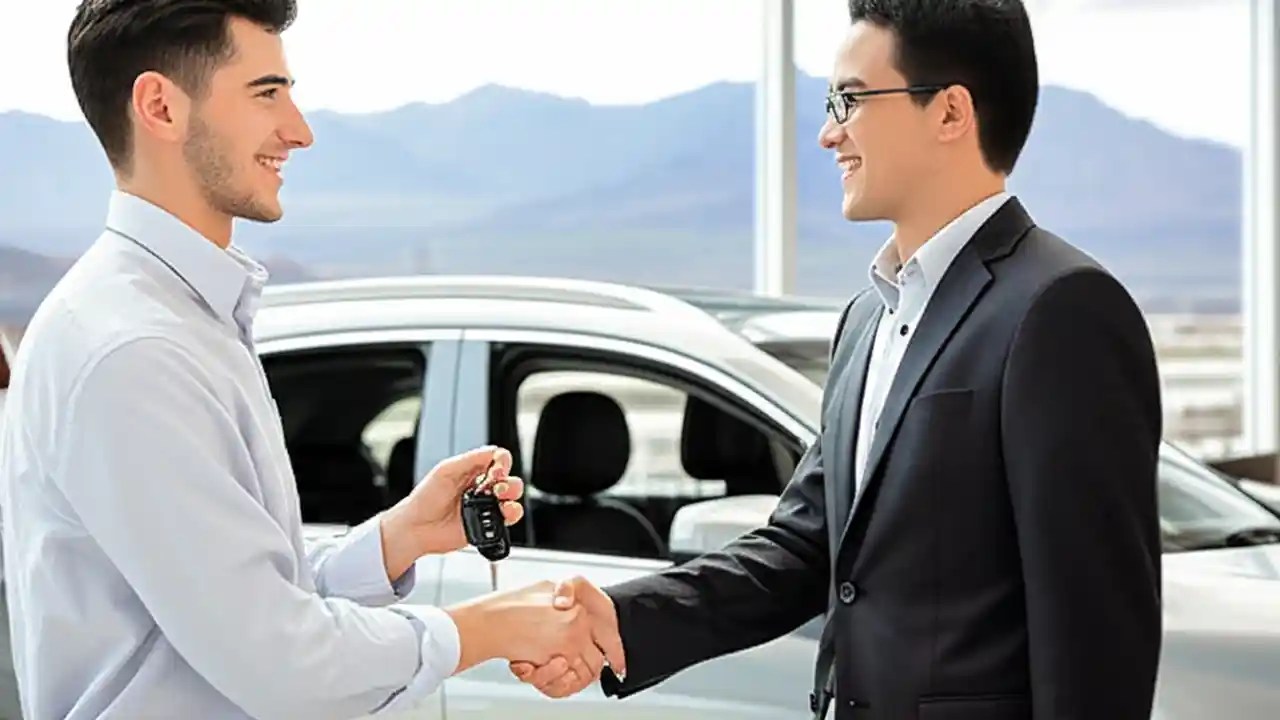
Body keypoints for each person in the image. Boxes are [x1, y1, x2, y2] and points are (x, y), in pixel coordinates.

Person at [511, 1, 1164, 718]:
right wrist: (616, 619)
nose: (828, 134)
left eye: (849, 100)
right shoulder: (868, 317)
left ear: (950, 112)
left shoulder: (1060, 310)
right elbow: (805, 548)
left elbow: (1096, 636)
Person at [0, 2, 620, 719]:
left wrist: (398, 538)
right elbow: (279, 661)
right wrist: (487, 628)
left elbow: (239, 607)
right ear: (160, 106)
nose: (299, 130)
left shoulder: (177, 321)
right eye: (267, 93)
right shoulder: (133, 349)